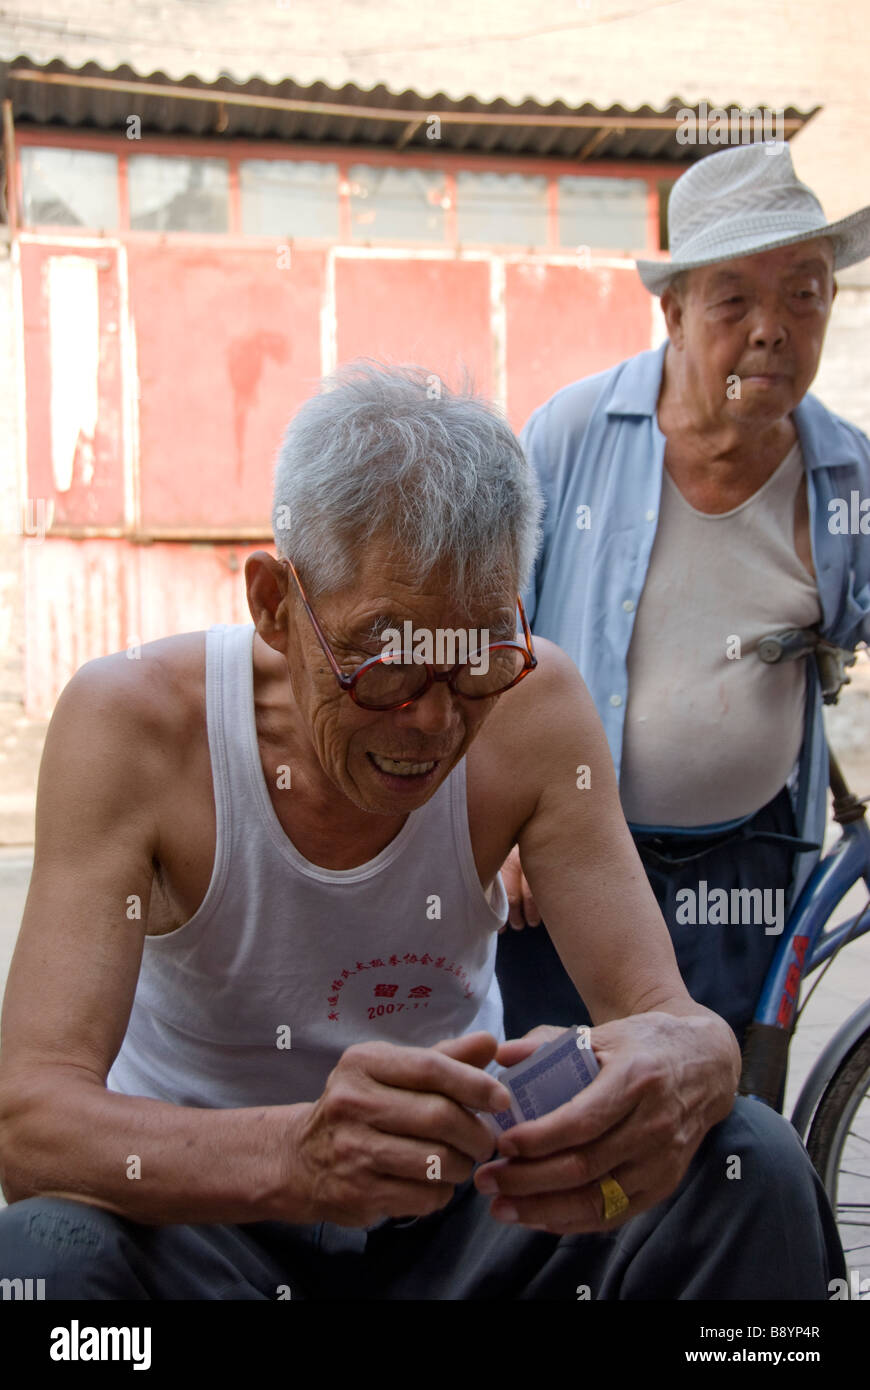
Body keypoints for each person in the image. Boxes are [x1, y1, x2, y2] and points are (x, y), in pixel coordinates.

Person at [0, 364, 844, 1299]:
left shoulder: (535, 706)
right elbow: (30, 1121)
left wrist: (688, 1060)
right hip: (205, 1226)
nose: (434, 723)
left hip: (461, 1222)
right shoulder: (135, 726)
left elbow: (665, 1014)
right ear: (276, 606)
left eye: (475, 658)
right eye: (389, 662)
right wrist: (297, 1155)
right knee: (46, 1254)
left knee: (749, 1163)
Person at [496, 143, 870, 1058]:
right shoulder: (573, 433)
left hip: (745, 870)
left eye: (804, 293)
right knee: (551, 1122)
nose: (773, 329)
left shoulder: (848, 473)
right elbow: (488, 637)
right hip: (566, 862)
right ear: (673, 311)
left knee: (708, 1131)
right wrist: (500, 828)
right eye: (735, 298)